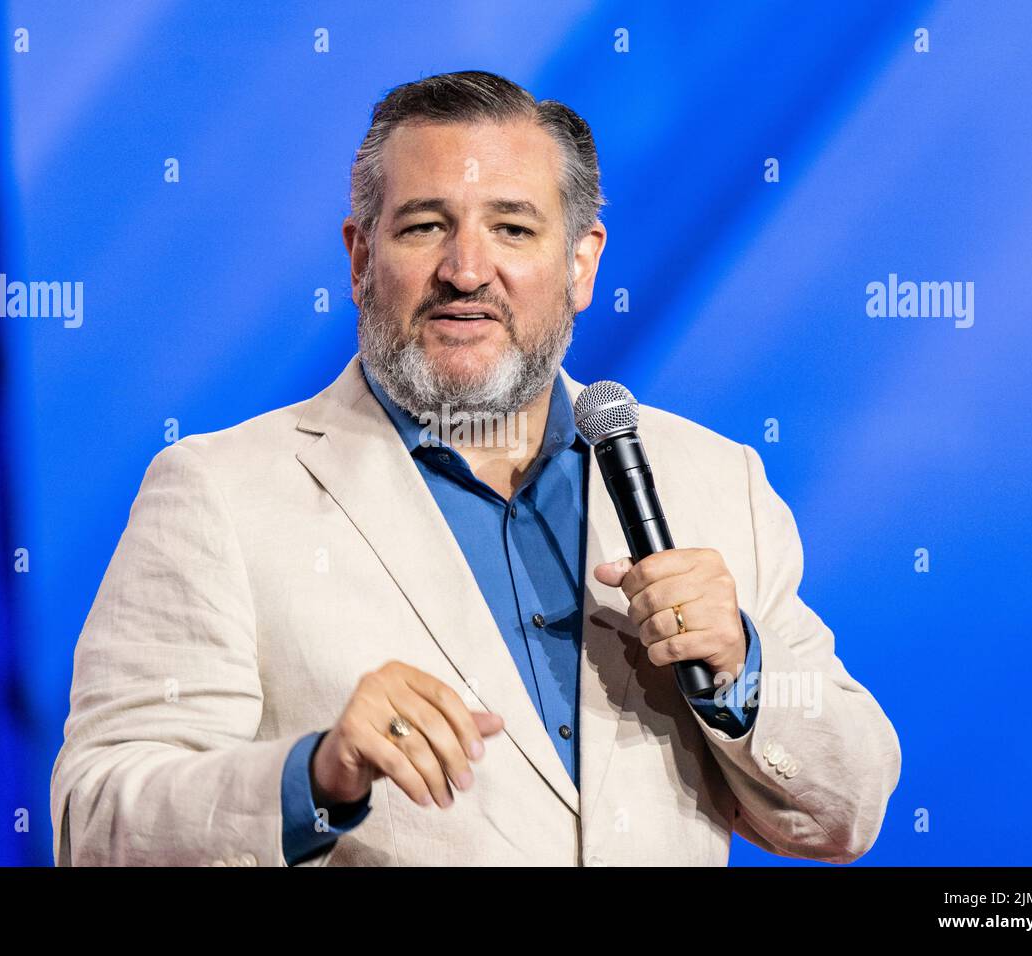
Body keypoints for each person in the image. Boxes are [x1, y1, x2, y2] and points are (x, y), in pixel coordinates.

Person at [50, 70, 900, 866]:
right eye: (424, 225)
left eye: (513, 228)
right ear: (358, 257)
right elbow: (98, 823)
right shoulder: (221, 492)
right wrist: (317, 776)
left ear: (581, 262)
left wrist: (741, 668)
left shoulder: (715, 480)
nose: (465, 271)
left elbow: (848, 806)